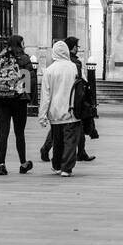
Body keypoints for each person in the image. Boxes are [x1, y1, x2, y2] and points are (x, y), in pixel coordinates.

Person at [0, 35, 34, 176]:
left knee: (3, 133)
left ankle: (2, 165)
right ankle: (23, 164)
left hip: (1, 100)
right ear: (19, 44)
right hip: (18, 100)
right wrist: (29, 99)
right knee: (19, 133)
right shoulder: (24, 59)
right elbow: (29, 81)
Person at [37, 40, 81, 177]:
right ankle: (66, 167)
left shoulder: (49, 70)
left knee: (57, 141)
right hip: (71, 110)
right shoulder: (74, 67)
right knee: (70, 140)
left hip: (54, 112)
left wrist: (42, 115)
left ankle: (56, 165)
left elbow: (45, 95)